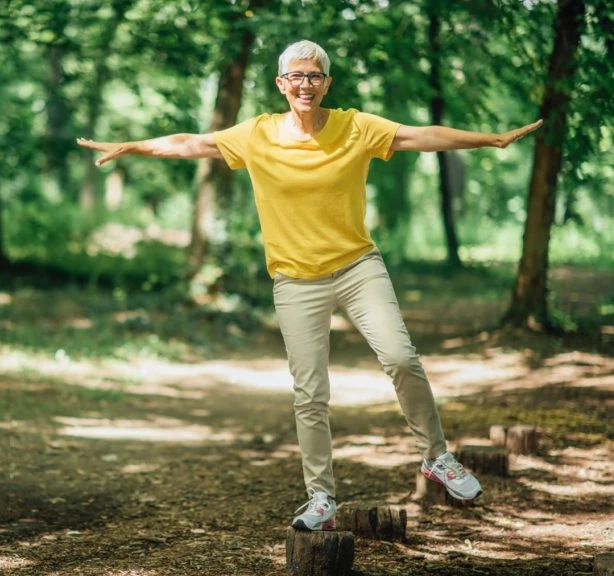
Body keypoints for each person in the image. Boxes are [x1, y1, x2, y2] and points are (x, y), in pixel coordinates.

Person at [77, 40, 542, 531]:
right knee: (310, 393)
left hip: (358, 266)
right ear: (281, 84)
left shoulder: (355, 126)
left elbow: (420, 135)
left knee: (401, 359)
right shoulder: (257, 134)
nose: (305, 84)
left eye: (314, 76)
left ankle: (436, 457)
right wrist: (130, 147)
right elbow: (193, 143)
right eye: (296, 76)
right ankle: (321, 495)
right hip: (296, 280)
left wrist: (489, 139)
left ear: (327, 83)